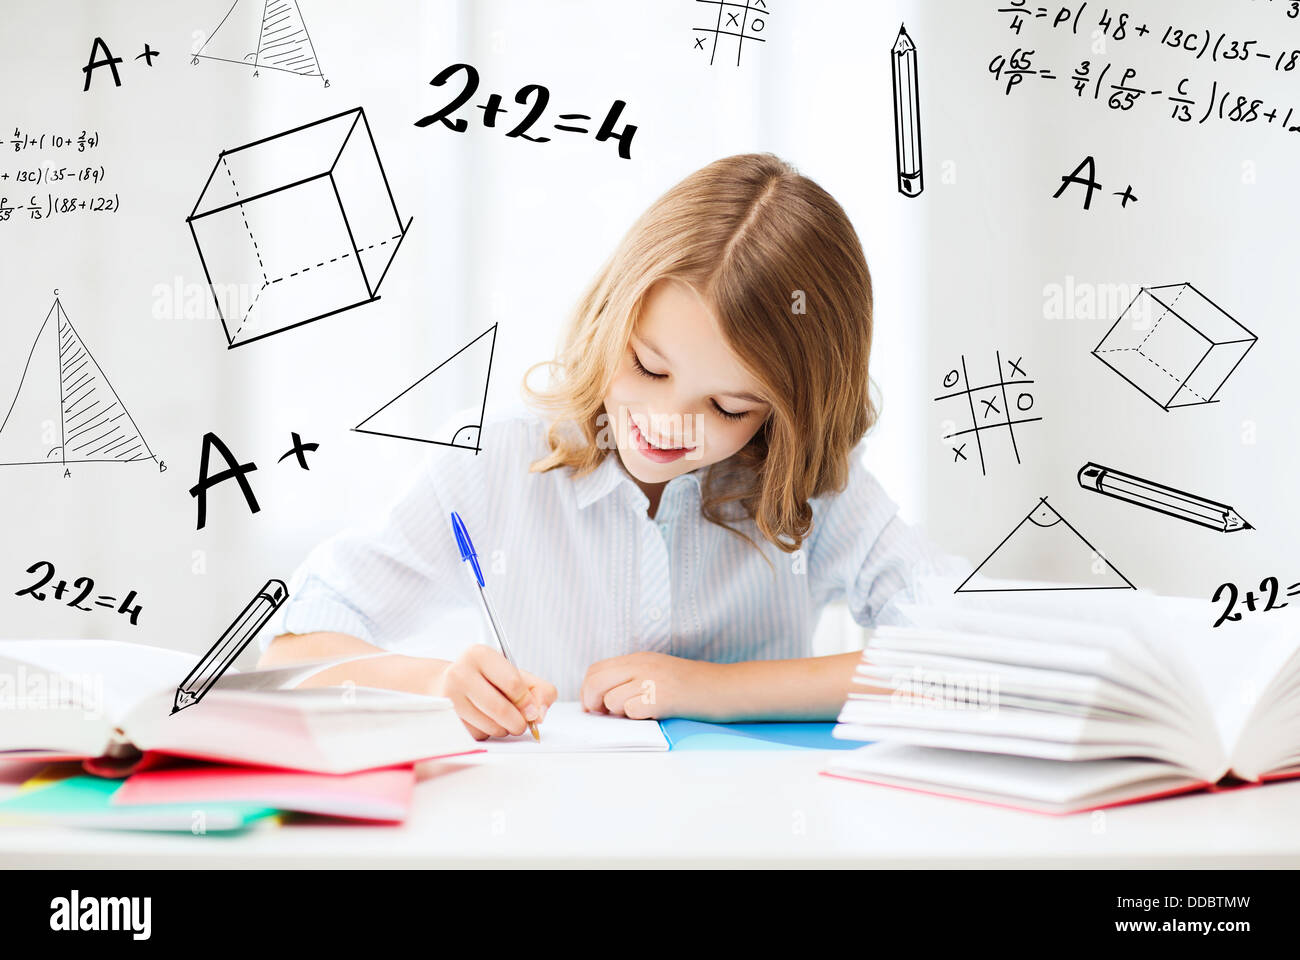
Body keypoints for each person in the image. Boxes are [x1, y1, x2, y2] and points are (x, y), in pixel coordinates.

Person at [260, 153, 951, 740]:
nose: (667, 421)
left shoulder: (811, 488)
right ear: (611, 313)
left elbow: (956, 658)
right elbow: (291, 648)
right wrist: (436, 682)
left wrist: (706, 688)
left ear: (788, 414)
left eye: (729, 407)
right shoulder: (497, 464)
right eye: (649, 367)